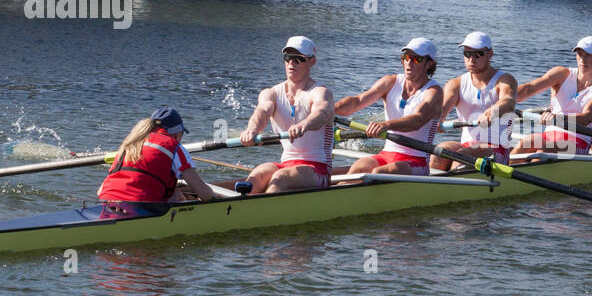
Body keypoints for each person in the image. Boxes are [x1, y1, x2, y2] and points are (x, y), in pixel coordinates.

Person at [238, 36, 335, 193]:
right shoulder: (271, 93)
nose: (291, 63)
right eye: (288, 57)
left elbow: (321, 112)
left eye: (299, 59)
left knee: (280, 178)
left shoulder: (321, 92)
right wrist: (252, 129)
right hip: (286, 163)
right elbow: (262, 111)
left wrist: (305, 124)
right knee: (256, 176)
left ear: (312, 62)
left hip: (318, 169)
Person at [334, 38, 443, 176]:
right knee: (358, 168)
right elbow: (357, 101)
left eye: (417, 59)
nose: (409, 63)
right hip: (387, 154)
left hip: (416, 160)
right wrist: (329, 109)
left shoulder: (434, 92)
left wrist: (386, 125)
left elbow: (418, 120)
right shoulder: (390, 82)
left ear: (429, 64)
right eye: (407, 57)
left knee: (379, 172)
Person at [513, 36, 592, 156]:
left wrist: (559, 118)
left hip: (579, 142)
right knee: (526, 142)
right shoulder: (562, 74)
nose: (582, 59)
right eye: (580, 53)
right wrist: (506, 98)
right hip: (550, 135)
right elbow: (529, 89)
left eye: (588, 55)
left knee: (545, 150)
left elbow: (586, 117)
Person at [432, 32, 518, 171]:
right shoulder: (455, 84)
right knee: (438, 152)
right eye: (467, 54)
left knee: (462, 156)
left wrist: (493, 111)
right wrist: (436, 120)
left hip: (497, 149)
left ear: (490, 54)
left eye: (477, 54)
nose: (472, 59)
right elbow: (441, 108)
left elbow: (508, 102)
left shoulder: (504, 80)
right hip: (466, 147)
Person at [98, 107, 216, 207]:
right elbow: (205, 195)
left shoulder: (130, 143)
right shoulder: (174, 147)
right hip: (140, 207)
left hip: (106, 202)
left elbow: (100, 190)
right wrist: (213, 196)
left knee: (171, 191)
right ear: (176, 133)